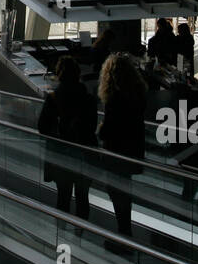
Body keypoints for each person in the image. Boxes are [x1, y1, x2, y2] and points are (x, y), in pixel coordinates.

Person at [37, 57, 98, 220]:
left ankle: (62, 234)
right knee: (82, 199)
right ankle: (80, 235)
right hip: (84, 156)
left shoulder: (53, 99)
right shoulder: (89, 100)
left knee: (62, 198)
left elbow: (42, 128)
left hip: (61, 156)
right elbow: (91, 128)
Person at [98, 53, 147, 248]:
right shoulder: (137, 94)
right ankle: (125, 232)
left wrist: (101, 130)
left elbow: (107, 131)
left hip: (116, 154)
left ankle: (124, 235)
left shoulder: (114, 99)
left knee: (117, 193)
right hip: (133, 151)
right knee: (124, 193)